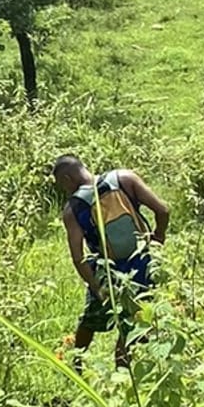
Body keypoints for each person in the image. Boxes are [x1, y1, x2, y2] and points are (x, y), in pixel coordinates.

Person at [54, 154, 169, 368]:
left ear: (68, 180)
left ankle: (77, 364)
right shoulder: (125, 178)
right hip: (142, 264)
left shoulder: (73, 209)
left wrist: (96, 286)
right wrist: (158, 238)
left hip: (106, 272)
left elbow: (78, 258)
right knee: (136, 321)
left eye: (63, 185)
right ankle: (124, 376)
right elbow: (163, 210)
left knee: (90, 320)